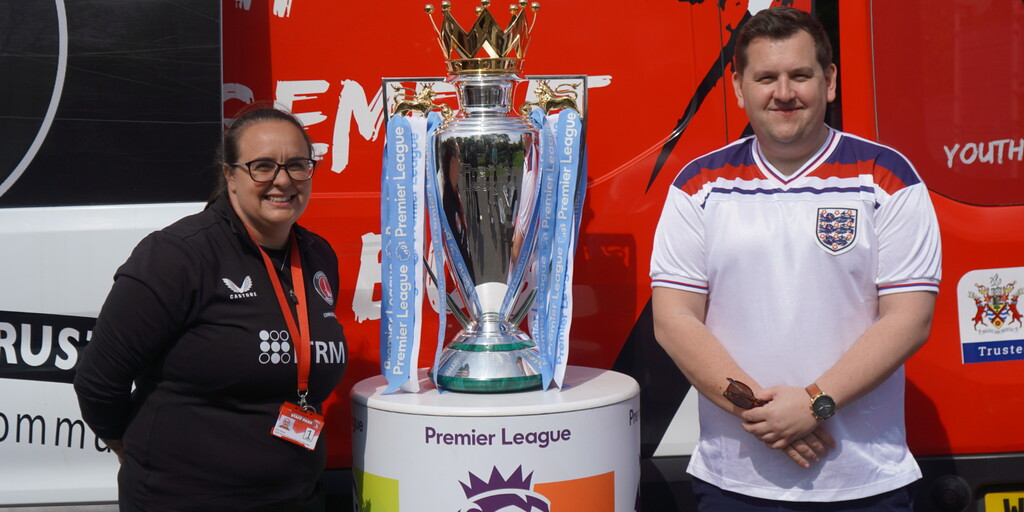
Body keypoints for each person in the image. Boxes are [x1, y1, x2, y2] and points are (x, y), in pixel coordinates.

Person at [649, 7, 941, 511]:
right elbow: (674, 320)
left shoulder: (887, 177)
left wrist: (813, 404)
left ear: (829, 81)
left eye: (800, 75)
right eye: (766, 77)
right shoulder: (698, 185)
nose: (783, 92)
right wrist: (765, 414)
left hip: (866, 481)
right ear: (739, 88)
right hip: (734, 482)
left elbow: (909, 320)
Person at [74, 106, 347, 512]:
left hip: (296, 498)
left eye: (297, 164)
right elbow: (98, 382)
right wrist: (131, 452)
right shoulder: (177, 256)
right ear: (230, 176)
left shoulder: (317, 256)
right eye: (262, 166)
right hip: (187, 499)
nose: (283, 180)